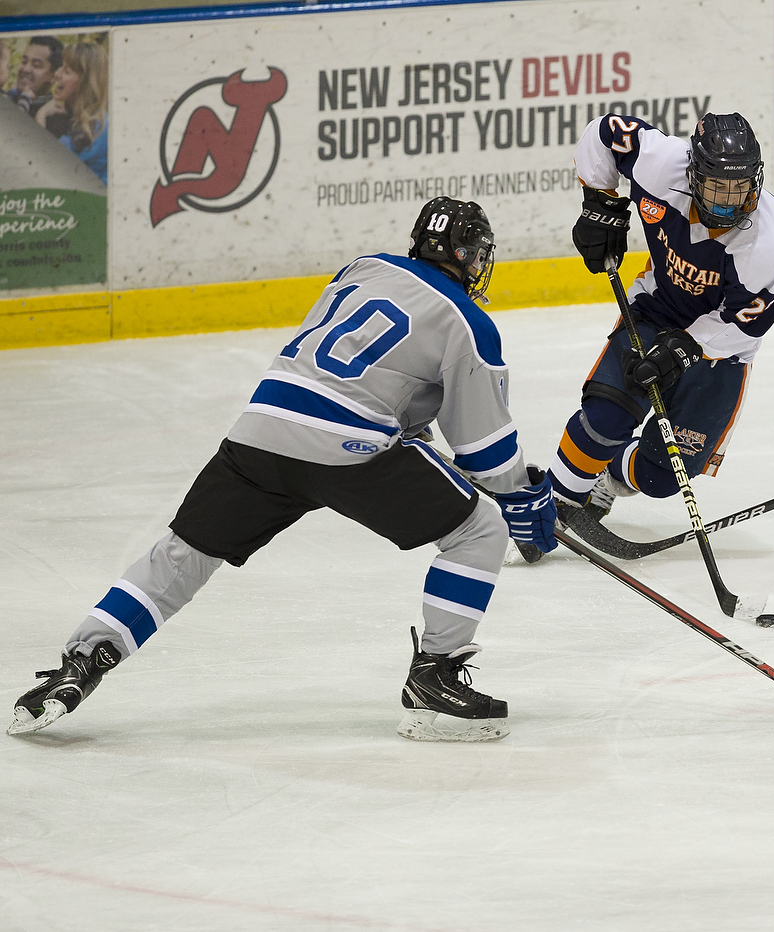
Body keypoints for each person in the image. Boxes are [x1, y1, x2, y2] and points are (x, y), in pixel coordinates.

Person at [9, 198, 557, 743]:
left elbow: (361, 368)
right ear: (468, 256)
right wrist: (521, 500)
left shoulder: (363, 268)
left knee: (185, 554)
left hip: (261, 429)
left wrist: (408, 429)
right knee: (479, 528)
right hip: (346, 448)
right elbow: (484, 453)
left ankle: (80, 662)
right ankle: (434, 677)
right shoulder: (469, 322)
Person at [542, 111, 774, 554]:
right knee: (605, 416)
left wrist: (683, 350)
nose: (730, 201)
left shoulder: (771, 241)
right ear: (693, 172)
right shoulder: (662, 163)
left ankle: (610, 473)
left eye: (740, 187)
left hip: (721, 351)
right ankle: (549, 509)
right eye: (718, 186)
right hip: (657, 309)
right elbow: (604, 132)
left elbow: (745, 324)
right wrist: (599, 204)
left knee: (661, 476)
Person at [34, 41, 108, 185]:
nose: (57, 74)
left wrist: (40, 116)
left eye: (66, 71)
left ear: (85, 83)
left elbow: (43, 166)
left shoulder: (97, 126)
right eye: (60, 67)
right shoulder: (75, 119)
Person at [3, 36, 62, 116]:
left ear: (53, 76)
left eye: (36, 65)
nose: (26, 69)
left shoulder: (54, 114)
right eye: (24, 62)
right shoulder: (7, 98)